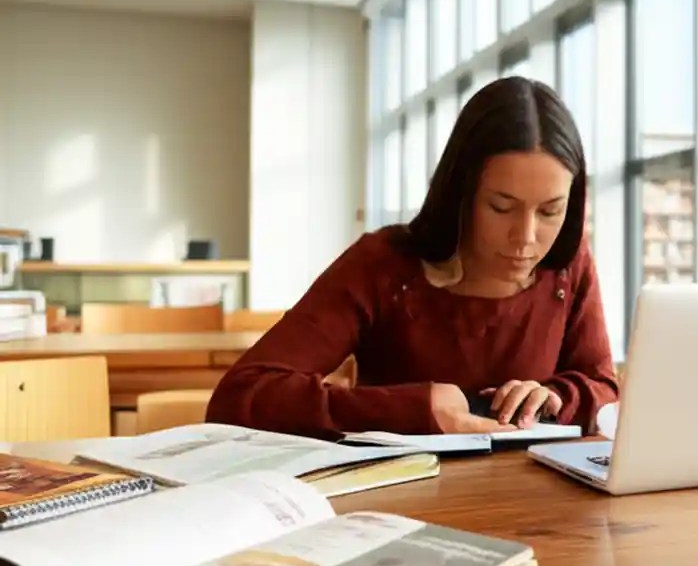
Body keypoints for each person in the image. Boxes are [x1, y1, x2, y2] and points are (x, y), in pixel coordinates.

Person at [205, 76, 619, 440]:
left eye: (550, 211)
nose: (526, 239)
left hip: (533, 508)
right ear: (461, 192)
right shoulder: (382, 263)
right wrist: (409, 409)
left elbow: (603, 388)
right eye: (500, 206)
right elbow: (241, 396)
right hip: (398, 506)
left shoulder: (569, 265)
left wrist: (556, 397)